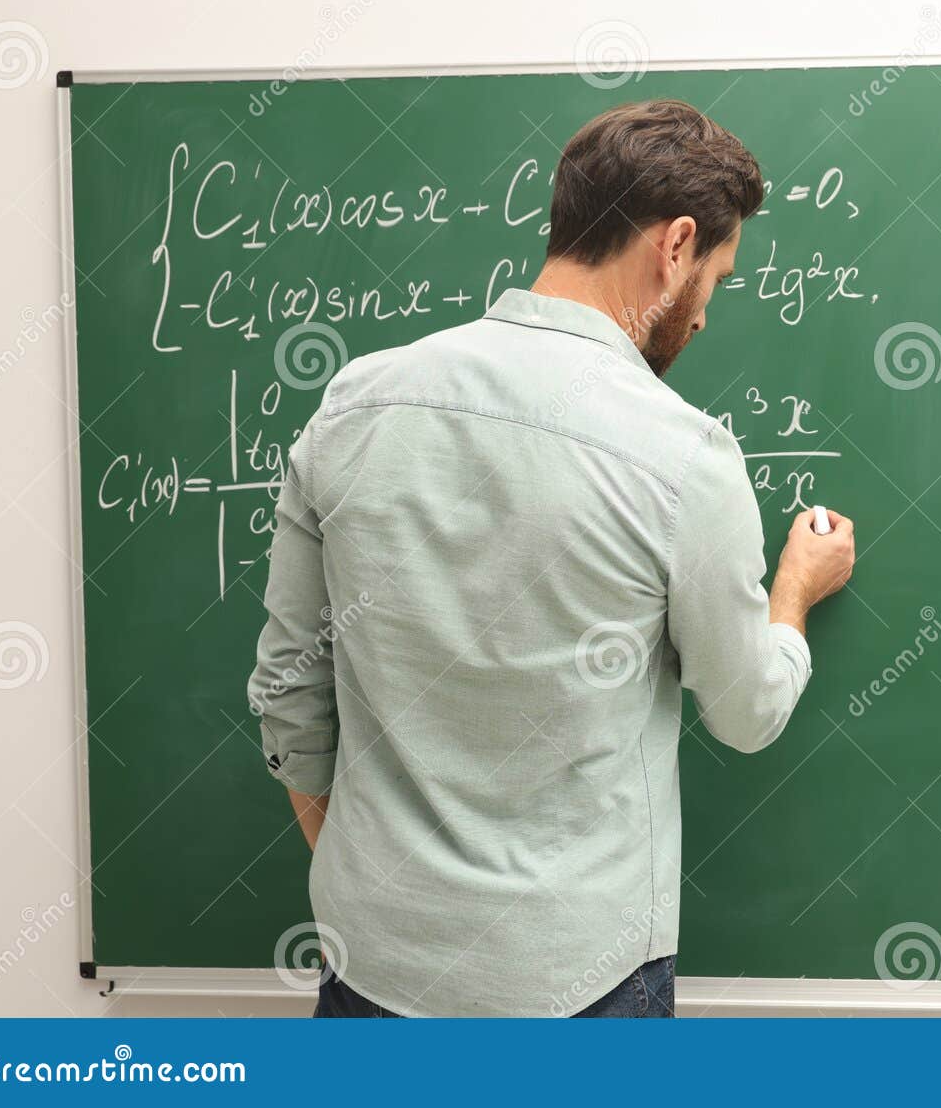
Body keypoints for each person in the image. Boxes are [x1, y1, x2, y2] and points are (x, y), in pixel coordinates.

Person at [247, 98, 856, 1017]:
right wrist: (794, 594)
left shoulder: (354, 402)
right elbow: (746, 711)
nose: (703, 316)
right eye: (717, 279)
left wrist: (384, 895)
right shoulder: (681, 454)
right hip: (583, 986)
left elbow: (290, 689)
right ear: (676, 245)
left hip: (369, 967)